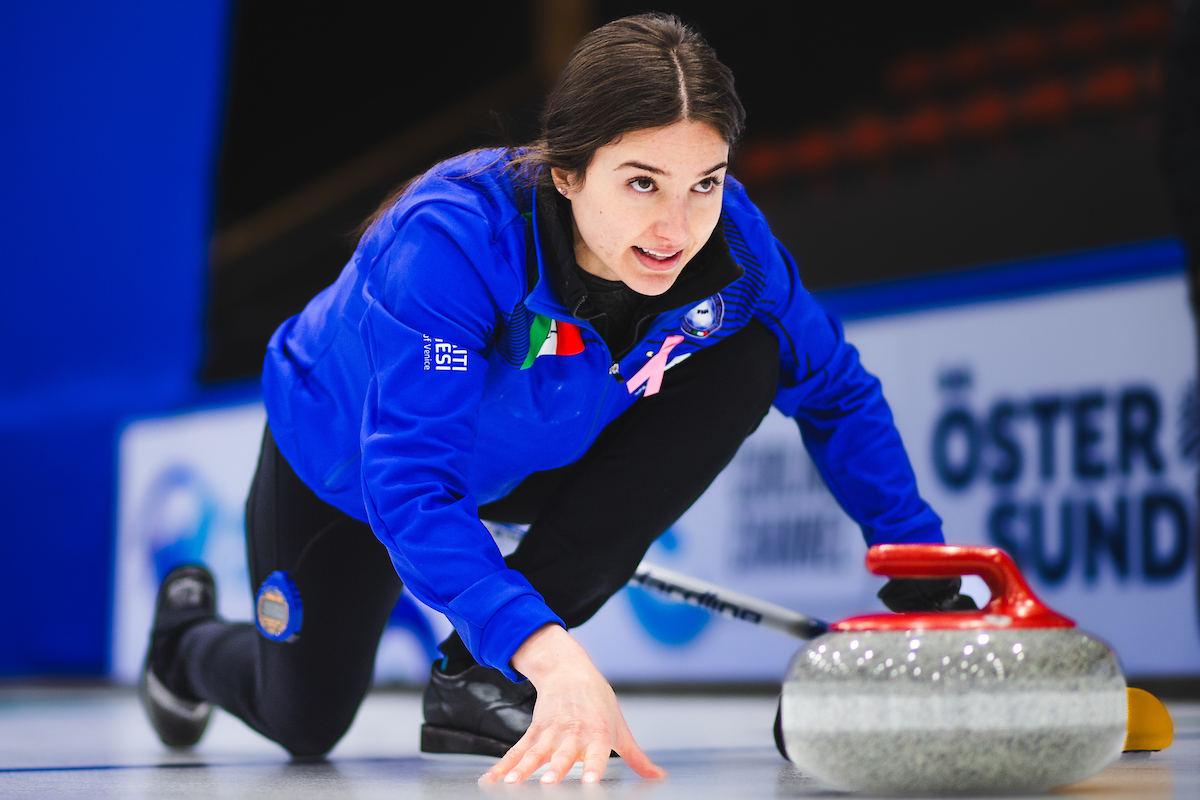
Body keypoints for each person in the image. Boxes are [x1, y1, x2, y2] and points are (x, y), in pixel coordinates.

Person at [139, 13, 974, 786]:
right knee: (305, 722)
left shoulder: (736, 252)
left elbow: (838, 393)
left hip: (540, 448)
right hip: (349, 464)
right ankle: (183, 646)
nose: (677, 229)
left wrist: (922, 572)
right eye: (642, 183)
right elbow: (410, 484)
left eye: (706, 183)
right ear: (568, 173)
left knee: (751, 357)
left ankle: (476, 672)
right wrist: (548, 652)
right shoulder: (451, 242)